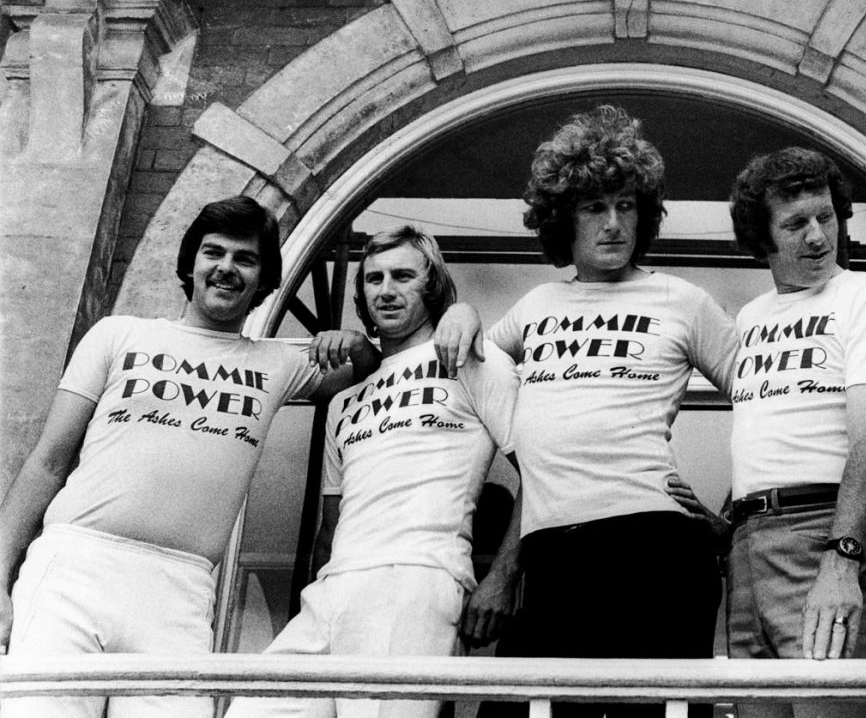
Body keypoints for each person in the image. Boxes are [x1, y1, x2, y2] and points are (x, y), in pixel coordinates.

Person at [0, 196, 379, 718]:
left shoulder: (277, 362)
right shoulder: (119, 334)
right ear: (190, 263)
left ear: (264, 277)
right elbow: (47, 462)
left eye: (245, 259)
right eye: (213, 252)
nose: (226, 268)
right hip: (76, 567)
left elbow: (367, 368)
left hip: (180, 590)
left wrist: (352, 340)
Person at [436, 105, 736, 718]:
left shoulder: (683, 300)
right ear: (563, 218)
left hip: (655, 545)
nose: (614, 223)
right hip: (555, 555)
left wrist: (735, 517)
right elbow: (477, 369)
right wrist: (460, 311)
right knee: (511, 709)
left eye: (626, 206)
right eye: (595, 207)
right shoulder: (538, 304)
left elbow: (767, 400)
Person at [226, 225, 520, 718]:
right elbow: (330, 527)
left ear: (432, 286)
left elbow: (538, 473)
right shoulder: (346, 400)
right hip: (333, 589)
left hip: (417, 577)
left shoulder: (471, 362)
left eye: (403, 276)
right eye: (374, 278)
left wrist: (502, 578)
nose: (386, 290)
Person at [723, 147, 866, 718]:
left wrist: (843, 558)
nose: (819, 235)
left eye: (826, 216)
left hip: (825, 534)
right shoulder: (749, 319)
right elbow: (765, 434)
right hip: (747, 548)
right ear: (762, 237)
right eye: (796, 223)